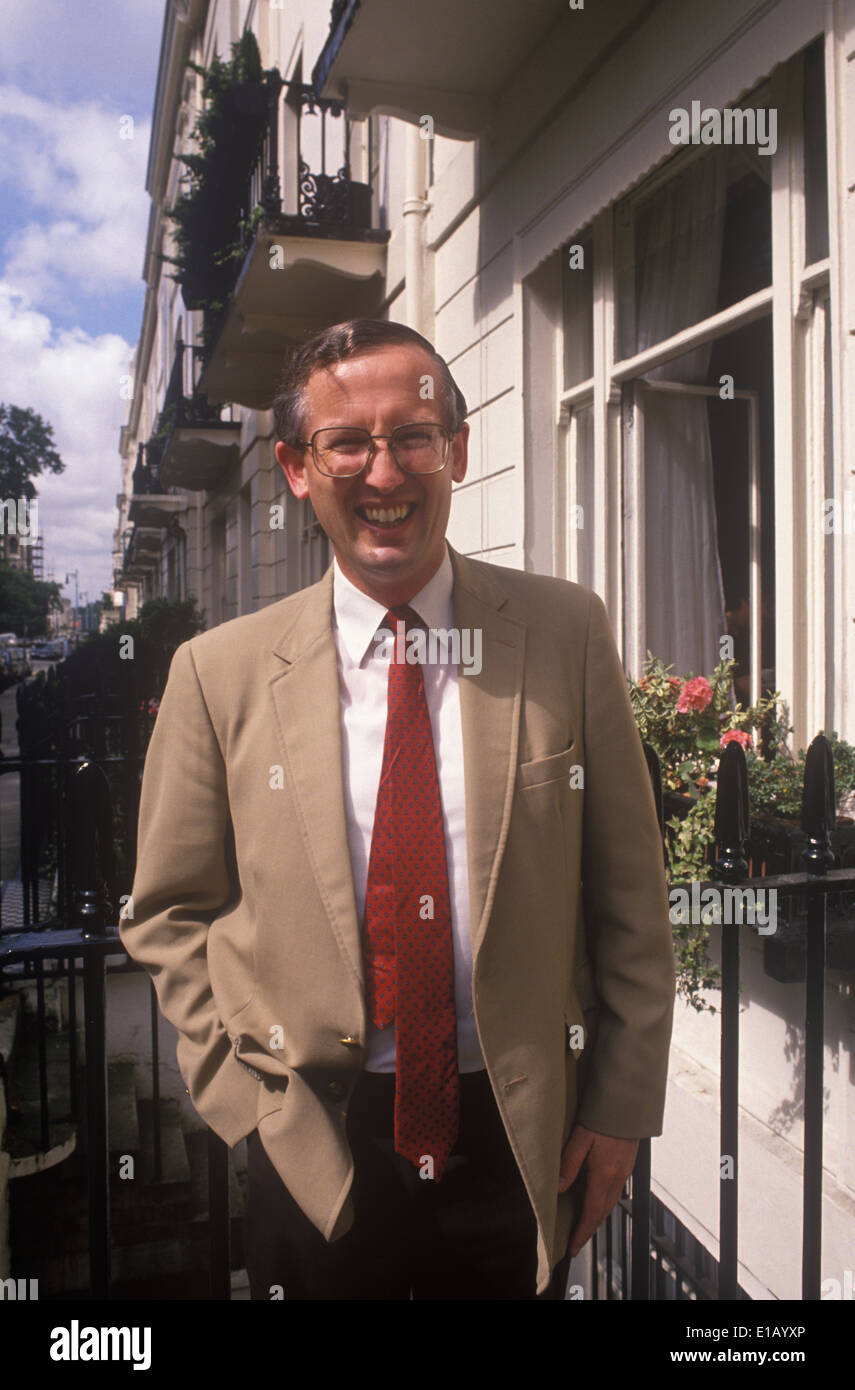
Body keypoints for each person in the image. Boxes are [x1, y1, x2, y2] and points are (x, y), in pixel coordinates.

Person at [120, 318, 675, 1300]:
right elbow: (168, 911)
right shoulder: (219, 673)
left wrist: (623, 1104)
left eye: (414, 436)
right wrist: (244, 1100)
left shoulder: (565, 634)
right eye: (347, 442)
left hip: (520, 1134)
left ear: (455, 450)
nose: (386, 472)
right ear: (296, 466)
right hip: (313, 1140)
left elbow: (630, 894)